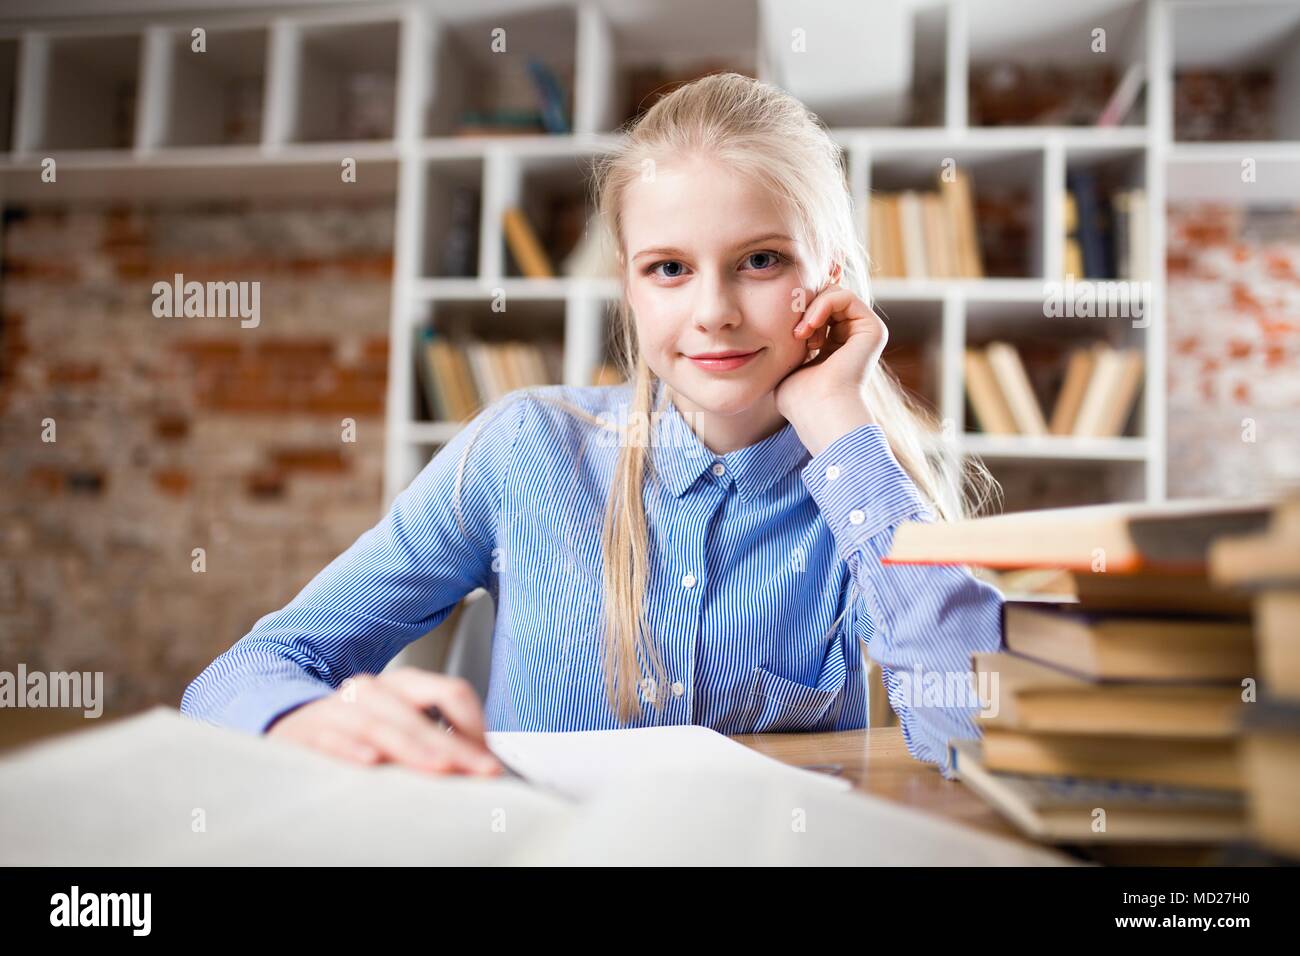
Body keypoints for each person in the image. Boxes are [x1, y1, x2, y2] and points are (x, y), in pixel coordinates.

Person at [181, 72, 1003, 780]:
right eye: (669, 269)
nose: (713, 313)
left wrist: (835, 419)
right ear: (630, 287)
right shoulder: (527, 449)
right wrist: (307, 720)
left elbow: (977, 738)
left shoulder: (863, 492)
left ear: (827, 277)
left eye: (761, 260)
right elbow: (243, 673)